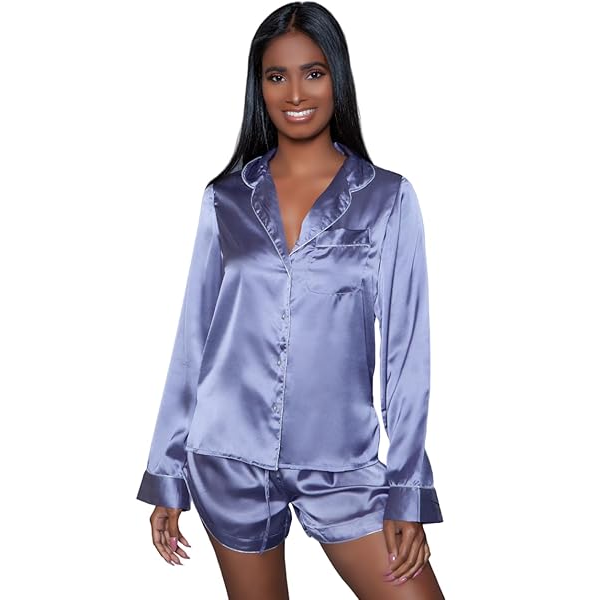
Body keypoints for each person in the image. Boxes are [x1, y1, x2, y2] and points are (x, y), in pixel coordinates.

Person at [136, 2, 445, 598]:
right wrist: (166, 472)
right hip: (227, 457)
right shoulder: (225, 199)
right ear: (260, 87)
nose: (296, 92)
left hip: (342, 465)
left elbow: (407, 355)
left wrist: (405, 487)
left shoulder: (388, 199)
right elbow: (193, 341)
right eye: (277, 76)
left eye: (313, 72)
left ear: (337, 79)